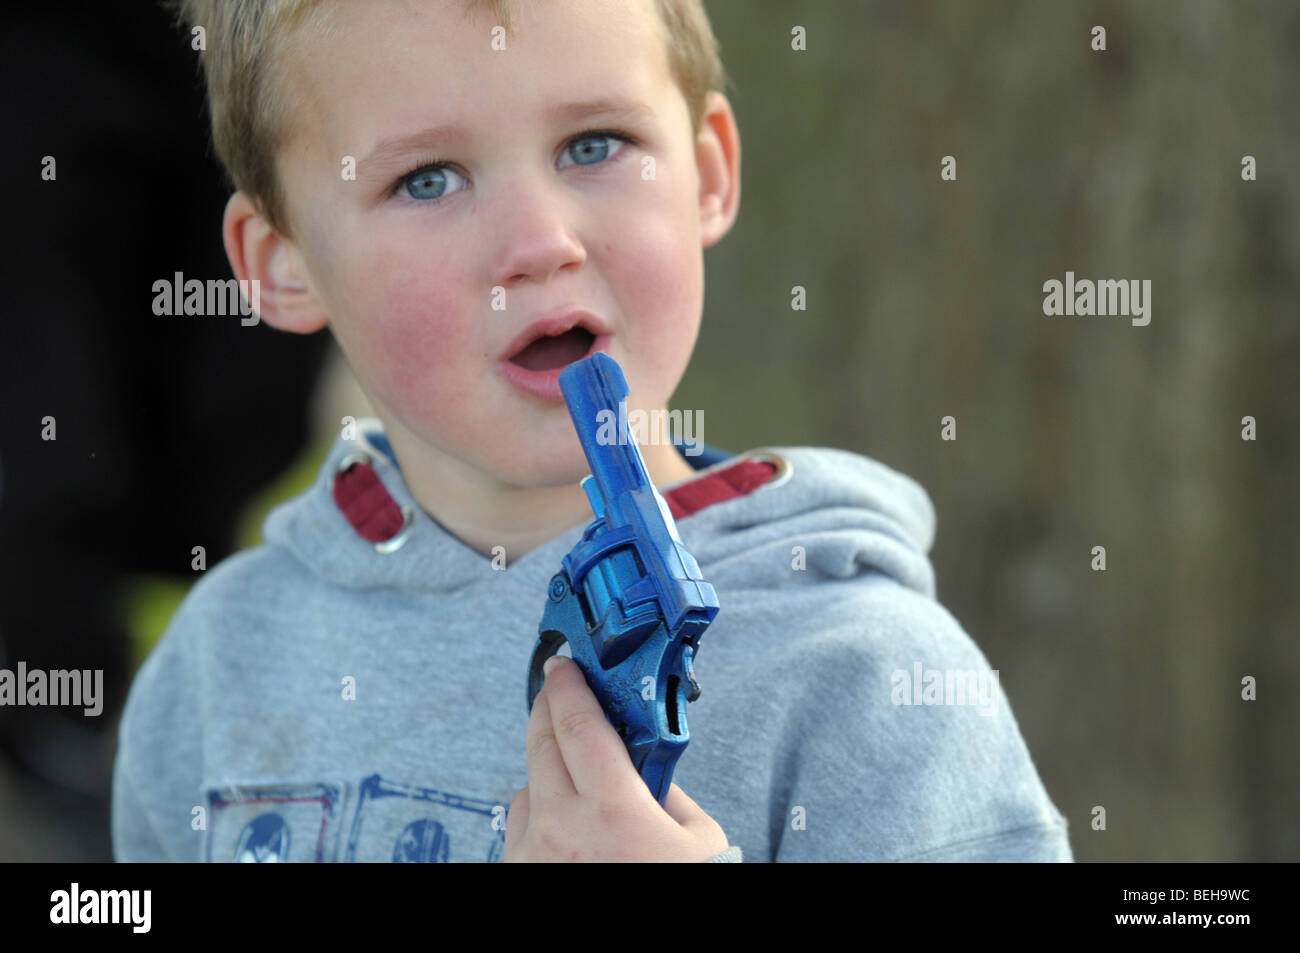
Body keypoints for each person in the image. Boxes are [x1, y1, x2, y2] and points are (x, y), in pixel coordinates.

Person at [112, 0, 1073, 862]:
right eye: (429, 179)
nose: (538, 242)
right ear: (281, 265)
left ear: (706, 173)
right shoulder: (219, 664)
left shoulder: (867, 680)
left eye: (593, 145)